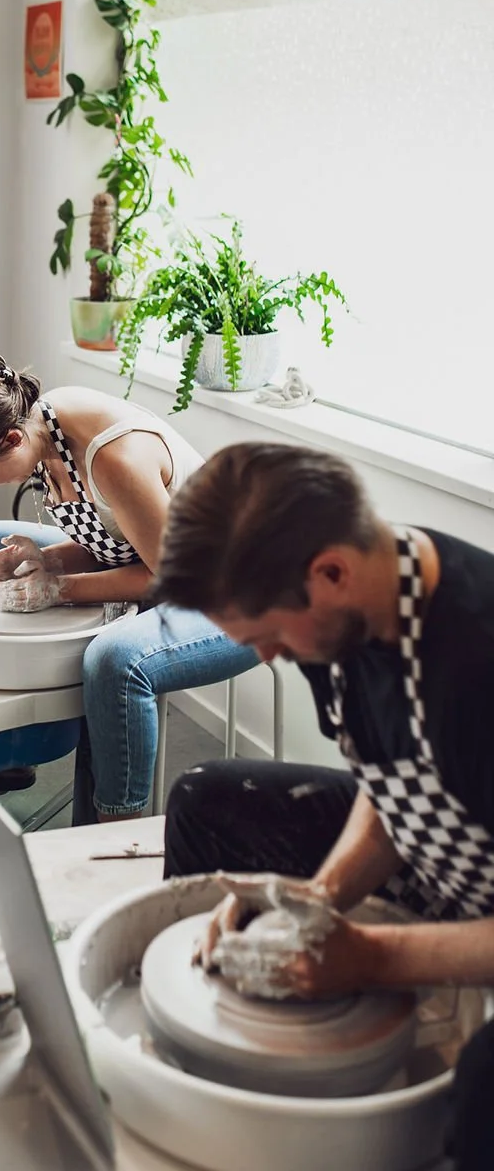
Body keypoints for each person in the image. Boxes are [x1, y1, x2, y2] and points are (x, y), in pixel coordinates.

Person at [155, 441, 494, 1171]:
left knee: (484, 1096)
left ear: (331, 571)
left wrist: (372, 955)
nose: (271, 656)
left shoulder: (476, 663)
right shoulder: (344, 615)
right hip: (452, 863)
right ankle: (228, 1061)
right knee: (208, 802)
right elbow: (392, 780)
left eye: (270, 636)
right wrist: (319, 896)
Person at [0, 353, 257, 820]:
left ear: (10, 440)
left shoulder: (113, 456)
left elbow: (165, 575)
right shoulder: (40, 421)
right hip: (153, 557)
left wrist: (57, 587)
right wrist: (43, 558)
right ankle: (4, 756)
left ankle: (114, 825)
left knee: (115, 659)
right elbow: (117, 537)